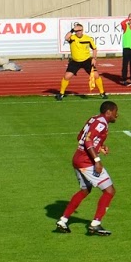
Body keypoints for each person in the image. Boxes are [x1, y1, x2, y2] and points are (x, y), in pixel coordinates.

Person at [55, 100, 119, 235]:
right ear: (108, 112)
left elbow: (81, 137)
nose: (116, 115)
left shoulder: (93, 119)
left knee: (85, 190)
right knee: (109, 191)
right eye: (115, 112)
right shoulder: (101, 123)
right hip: (87, 161)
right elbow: (88, 140)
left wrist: (100, 146)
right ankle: (95, 224)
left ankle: (63, 220)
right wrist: (97, 160)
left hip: (77, 158)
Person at [57, 22, 102, 101]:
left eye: (79, 30)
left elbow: (94, 49)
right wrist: (72, 30)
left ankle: (102, 92)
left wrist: (94, 58)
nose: (78, 32)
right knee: (67, 76)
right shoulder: (72, 38)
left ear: (82, 30)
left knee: (96, 75)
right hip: (75, 61)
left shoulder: (88, 39)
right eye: (76, 31)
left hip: (86, 60)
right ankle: (61, 93)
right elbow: (66, 37)